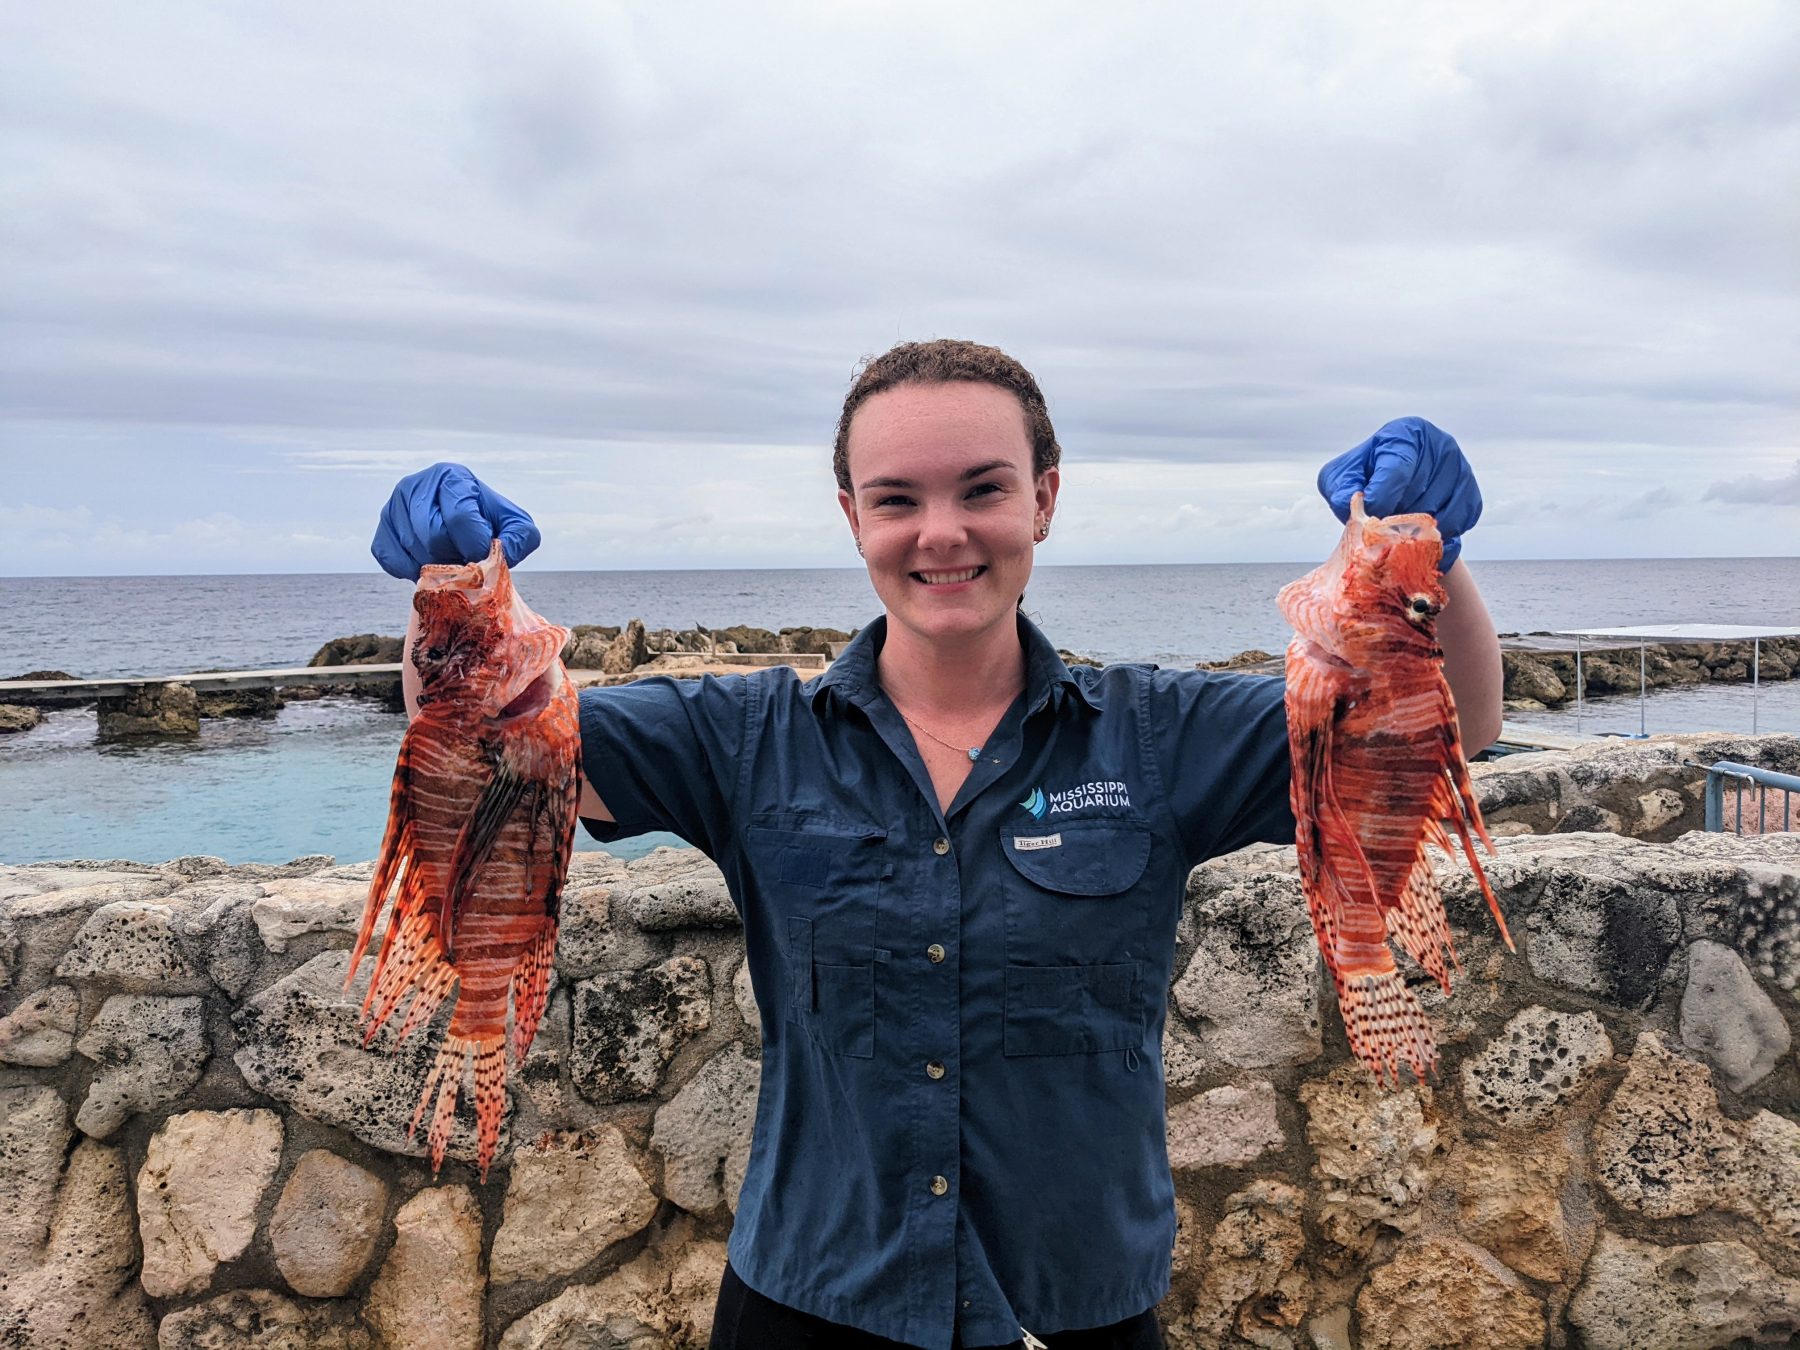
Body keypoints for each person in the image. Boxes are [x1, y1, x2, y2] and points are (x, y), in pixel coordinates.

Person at [372, 339, 1502, 1350]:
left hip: (1077, 1304)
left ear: (1044, 500)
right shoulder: (745, 738)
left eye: (983, 490)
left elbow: (1446, 721)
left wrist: (1422, 558)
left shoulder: (1163, 734)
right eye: (898, 498)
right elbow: (487, 759)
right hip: (814, 1301)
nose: (942, 531)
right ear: (853, 516)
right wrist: (448, 604)